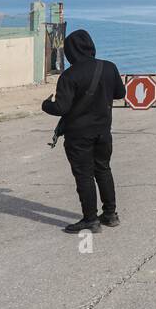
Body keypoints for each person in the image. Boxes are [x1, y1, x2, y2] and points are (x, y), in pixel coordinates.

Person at [42, 29, 125, 231]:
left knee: (84, 175)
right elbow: (120, 93)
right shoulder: (109, 67)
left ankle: (90, 219)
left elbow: (61, 108)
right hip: (104, 131)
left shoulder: (69, 75)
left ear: (71, 51)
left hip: (78, 135)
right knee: (103, 169)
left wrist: (46, 105)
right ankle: (110, 214)